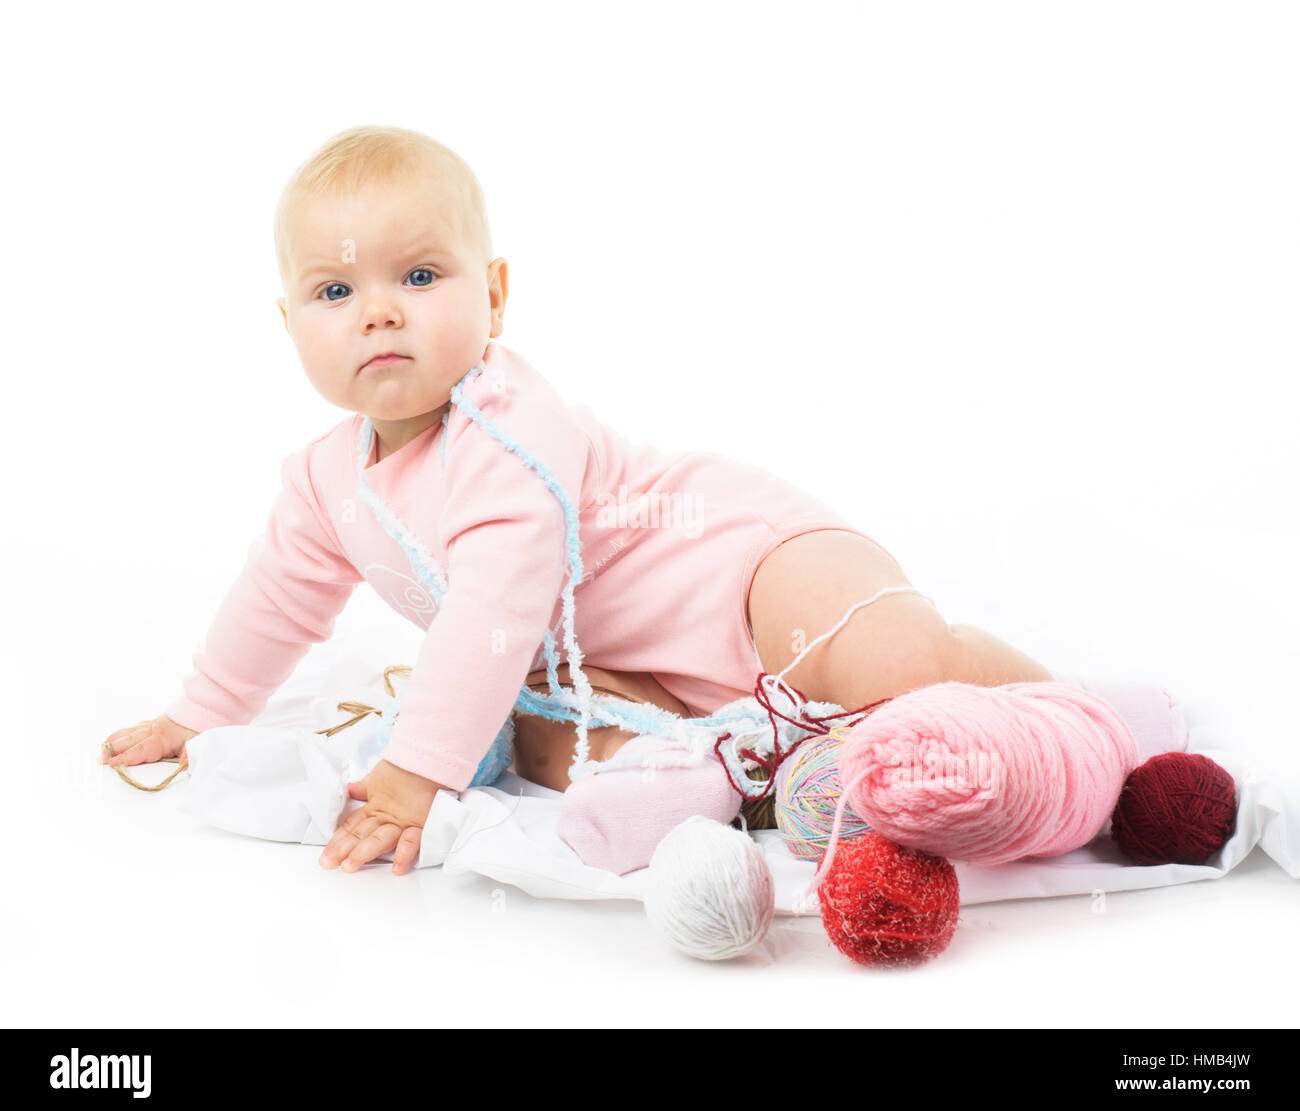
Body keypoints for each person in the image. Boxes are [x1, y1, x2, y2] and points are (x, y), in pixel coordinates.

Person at [98, 125, 1186, 877]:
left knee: (891, 667)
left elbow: (485, 615)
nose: (378, 312)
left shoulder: (509, 428)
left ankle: (1080, 716)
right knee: (555, 751)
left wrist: (409, 778)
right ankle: (770, 762)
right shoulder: (325, 479)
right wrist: (202, 711)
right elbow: (276, 597)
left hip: (748, 573)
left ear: (495, 294)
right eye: (336, 292)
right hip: (640, 670)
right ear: (288, 325)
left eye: (419, 276)